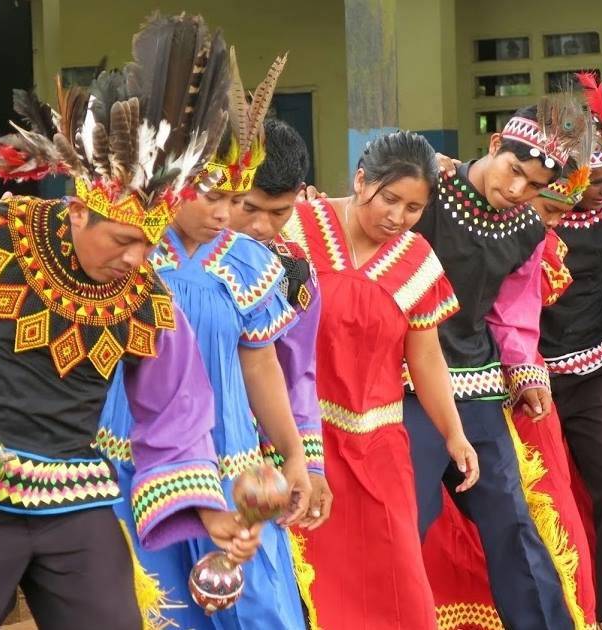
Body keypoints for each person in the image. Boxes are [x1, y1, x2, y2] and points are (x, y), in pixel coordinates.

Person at [0, 15, 263, 630]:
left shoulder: (146, 299)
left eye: (148, 246)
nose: (136, 260)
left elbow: (176, 412)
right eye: (123, 241)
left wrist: (211, 515)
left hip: (72, 497)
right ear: (76, 212)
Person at [96, 49, 313, 630]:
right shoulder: (121, 254)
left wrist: (294, 452)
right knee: (151, 602)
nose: (226, 213)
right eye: (211, 196)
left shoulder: (248, 266)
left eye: (236, 200)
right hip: (133, 456)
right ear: (171, 181)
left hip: (229, 459)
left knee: (254, 606)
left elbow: (261, 366)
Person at [288, 130, 478, 629]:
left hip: (378, 451)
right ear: (359, 179)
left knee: (392, 580)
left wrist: (454, 433)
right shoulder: (294, 228)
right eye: (388, 198)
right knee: (306, 578)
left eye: (413, 208)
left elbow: (428, 357)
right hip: (297, 440)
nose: (396, 217)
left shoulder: (417, 261)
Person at [405, 101, 585, 629]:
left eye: (532, 185)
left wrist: (524, 370)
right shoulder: (429, 189)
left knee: (512, 522)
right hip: (408, 382)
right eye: (513, 171)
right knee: (406, 520)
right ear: (492, 147)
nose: (517, 190)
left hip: (477, 384)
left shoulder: (527, 228)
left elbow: (514, 307)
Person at [541, 73, 602, 630]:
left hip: (594, 368)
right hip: (523, 377)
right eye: (596, 179)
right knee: (540, 499)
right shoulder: (526, 211)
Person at [229, 118, 331, 531]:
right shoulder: (163, 257)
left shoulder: (294, 275)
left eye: (279, 212)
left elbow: (298, 371)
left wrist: (309, 462)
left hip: (258, 453)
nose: (261, 227)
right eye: (247, 207)